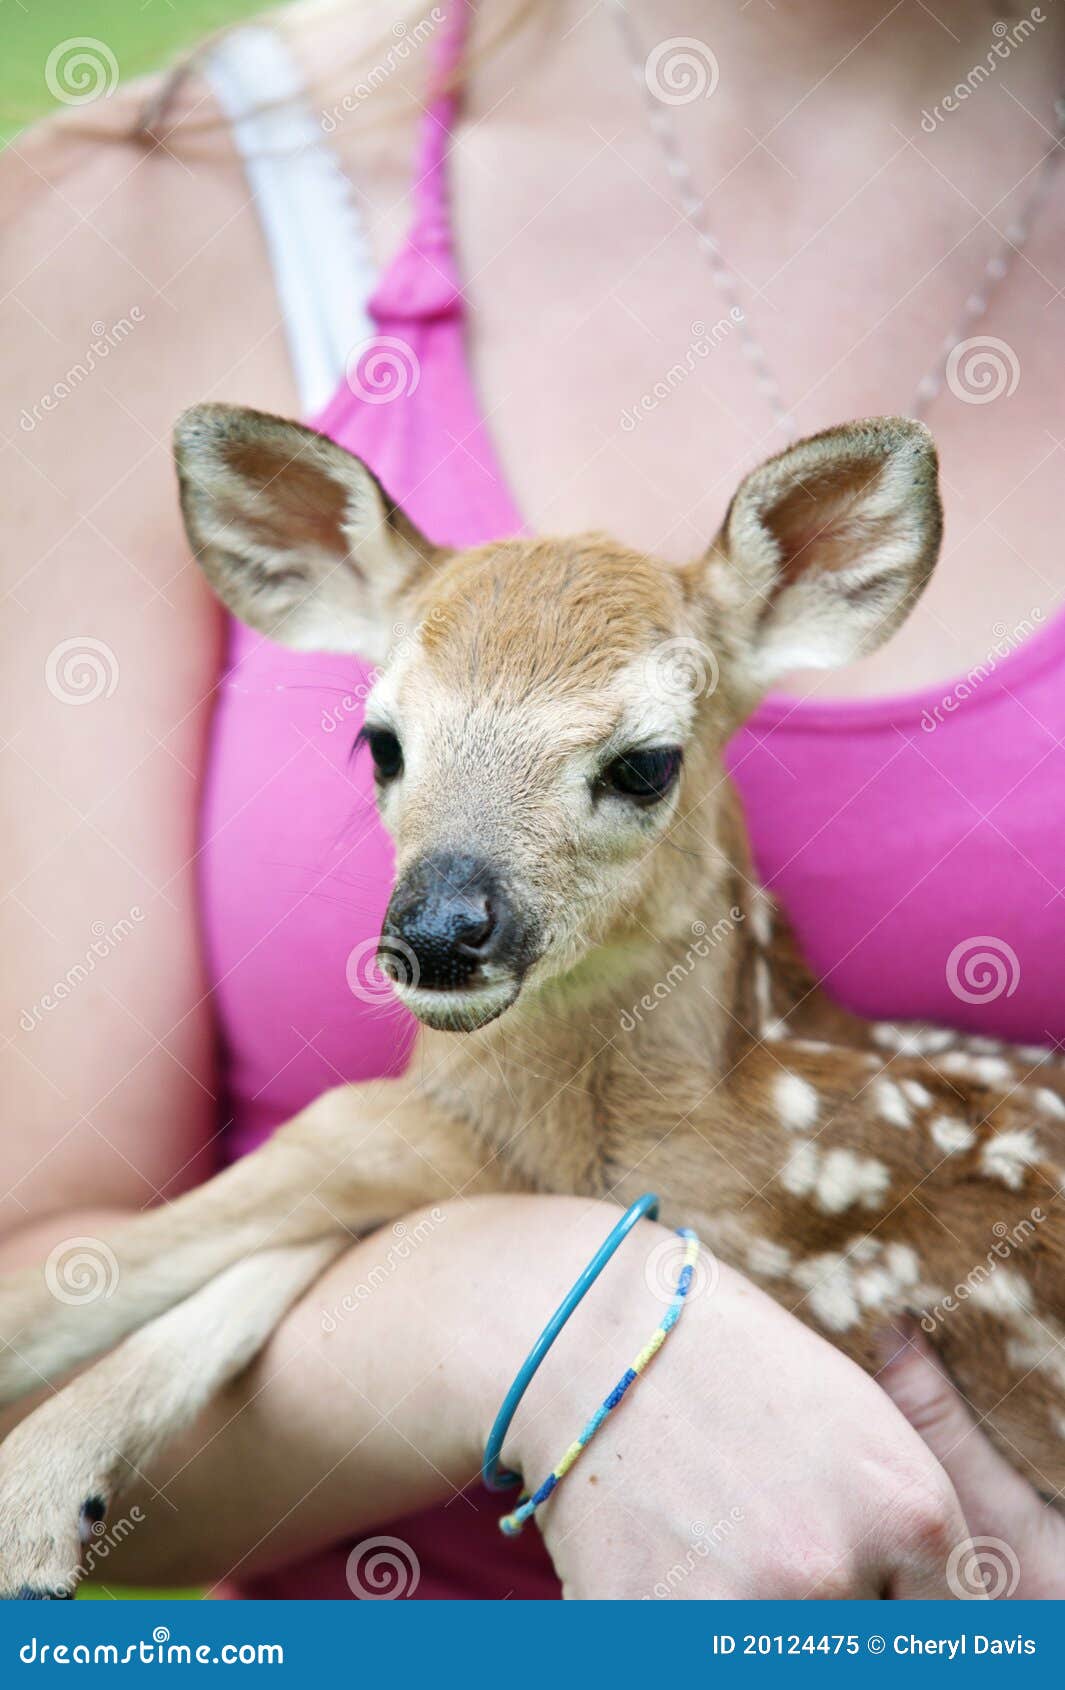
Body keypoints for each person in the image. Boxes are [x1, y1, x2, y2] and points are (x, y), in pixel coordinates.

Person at [3, 0, 1063, 1599]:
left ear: (828, 569)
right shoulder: (157, 207)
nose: (448, 895)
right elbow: (37, 1331)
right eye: (391, 751)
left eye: (624, 768)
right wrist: (533, 1318)